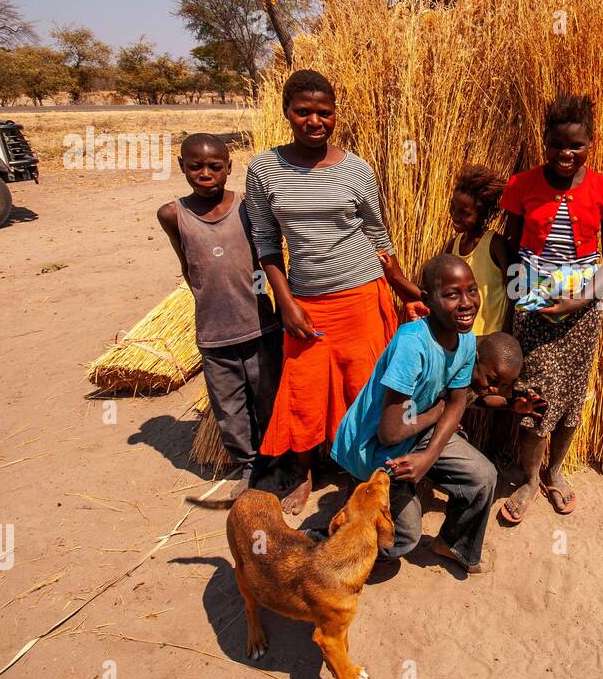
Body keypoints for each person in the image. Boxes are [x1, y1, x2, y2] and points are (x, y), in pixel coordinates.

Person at [244, 69, 423, 515]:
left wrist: (404, 289)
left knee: (363, 388)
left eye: (324, 112)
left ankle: (355, 472)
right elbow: (266, 243)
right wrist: (285, 303)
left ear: (335, 114)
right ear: (286, 112)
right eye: (303, 111)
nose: (314, 121)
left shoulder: (356, 169)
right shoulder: (264, 169)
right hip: (305, 303)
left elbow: (378, 237)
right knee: (303, 391)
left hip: (363, 295)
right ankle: (302, 471)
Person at [331, 255, 522, 574]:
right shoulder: (412, 345)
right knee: (403, 537)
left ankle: (453, 542)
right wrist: (437, 412)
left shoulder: (464, 342)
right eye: (451, 294)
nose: (466, 303)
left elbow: (458, 402)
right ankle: (344, 546)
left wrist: (429, 456)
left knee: (483, 477)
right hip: (374, 446)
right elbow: (390, 432)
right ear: (428, 299)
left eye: (472, 291)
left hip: (414, 432)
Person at [498, 94, 603, 523]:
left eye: (575, 146)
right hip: (532, 306)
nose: (565, 154)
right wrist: (523, 295)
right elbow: (512, 249)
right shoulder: (521, 185)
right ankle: (531, 477)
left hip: (583, 308)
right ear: (544, 141)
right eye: (556, 145)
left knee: (571, 390)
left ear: (591, 143)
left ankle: (556, 470)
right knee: (533, 392)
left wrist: (581, 299)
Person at [156, 134, 282, 498]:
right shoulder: (172, 215)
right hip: (214, 333)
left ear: (229, 168)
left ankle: (276, 464)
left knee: (268, 397)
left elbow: (267, 257)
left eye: (215, 166)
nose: (205, 174)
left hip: (260, 325)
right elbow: (189, 266)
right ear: (182, 167)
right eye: (195, 166)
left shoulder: (247, 207)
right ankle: (248, 466)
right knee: (228, 407)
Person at [443, 164, 510, 336]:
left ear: (482, 214)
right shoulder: (453, 245)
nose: (455, 216)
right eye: (453, 208)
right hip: (462, 338)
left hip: (490, 338)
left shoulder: (495, 244)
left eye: (464, 213)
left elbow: (513, 293)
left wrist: (505, 336)